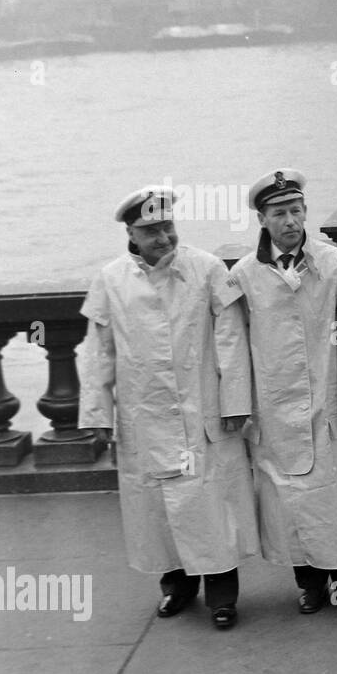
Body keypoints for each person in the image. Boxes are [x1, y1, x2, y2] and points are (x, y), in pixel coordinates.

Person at [78, 185, 258, 629]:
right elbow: (98, 349)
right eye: (151, 230)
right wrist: (97, 413)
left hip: (203, 410)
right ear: (131, 234)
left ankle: (222, 595)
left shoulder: (207, 269)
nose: (163, 237)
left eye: (167, 226)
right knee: (158, 508)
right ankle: (176, 585)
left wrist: (235, 400)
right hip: (145, 415)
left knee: (211, 505)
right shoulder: (111, 280)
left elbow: (231, 338)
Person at [228, 169, 337, 611]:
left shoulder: (336, 264)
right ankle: (309, 584)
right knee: (290, 500)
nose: (290, 221)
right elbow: (233, 345)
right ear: (262, 219)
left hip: (327, 398)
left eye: (296, 211)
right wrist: (240, 406)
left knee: (335, 496)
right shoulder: (244, 276)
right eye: (279, 213)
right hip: (274, 406)